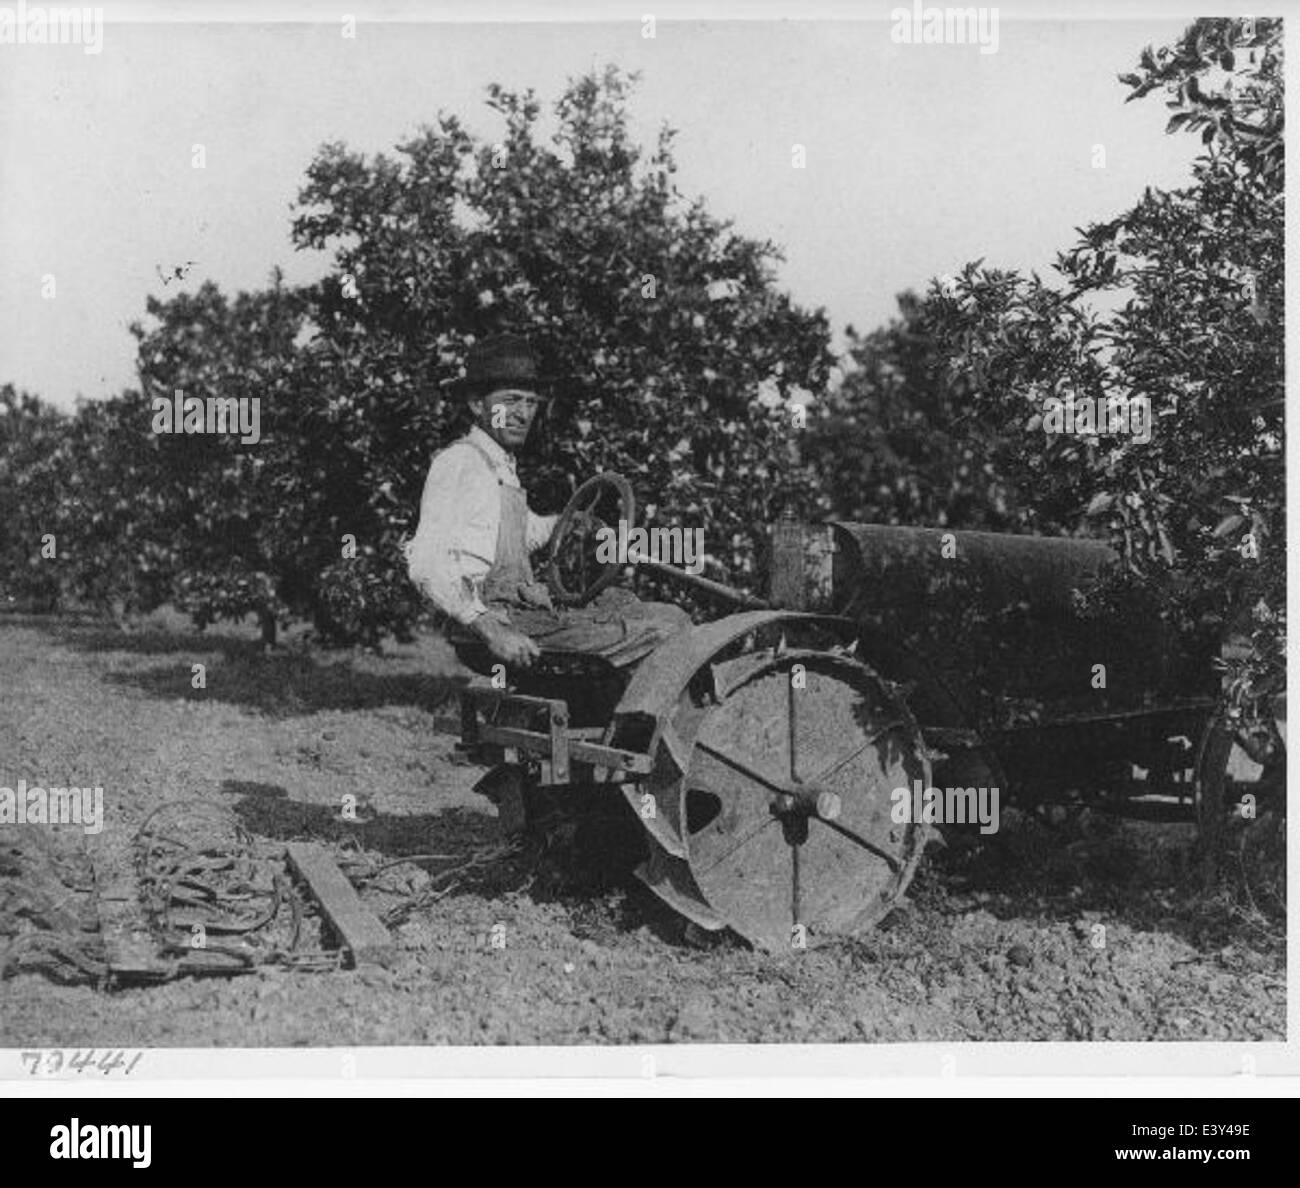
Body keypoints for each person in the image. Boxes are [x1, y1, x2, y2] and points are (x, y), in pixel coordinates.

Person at [405, 333, 689, 671]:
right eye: (510, 400)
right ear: (476, 403)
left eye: (530, 401)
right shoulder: (459, 464)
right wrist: (490, 628)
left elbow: (514, 537)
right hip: (499, 623)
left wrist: (564, 523)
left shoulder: (498, 465)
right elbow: (424, 563)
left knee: (664, 613)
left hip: (521, 612)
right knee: (665, 628)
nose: (523, 414)